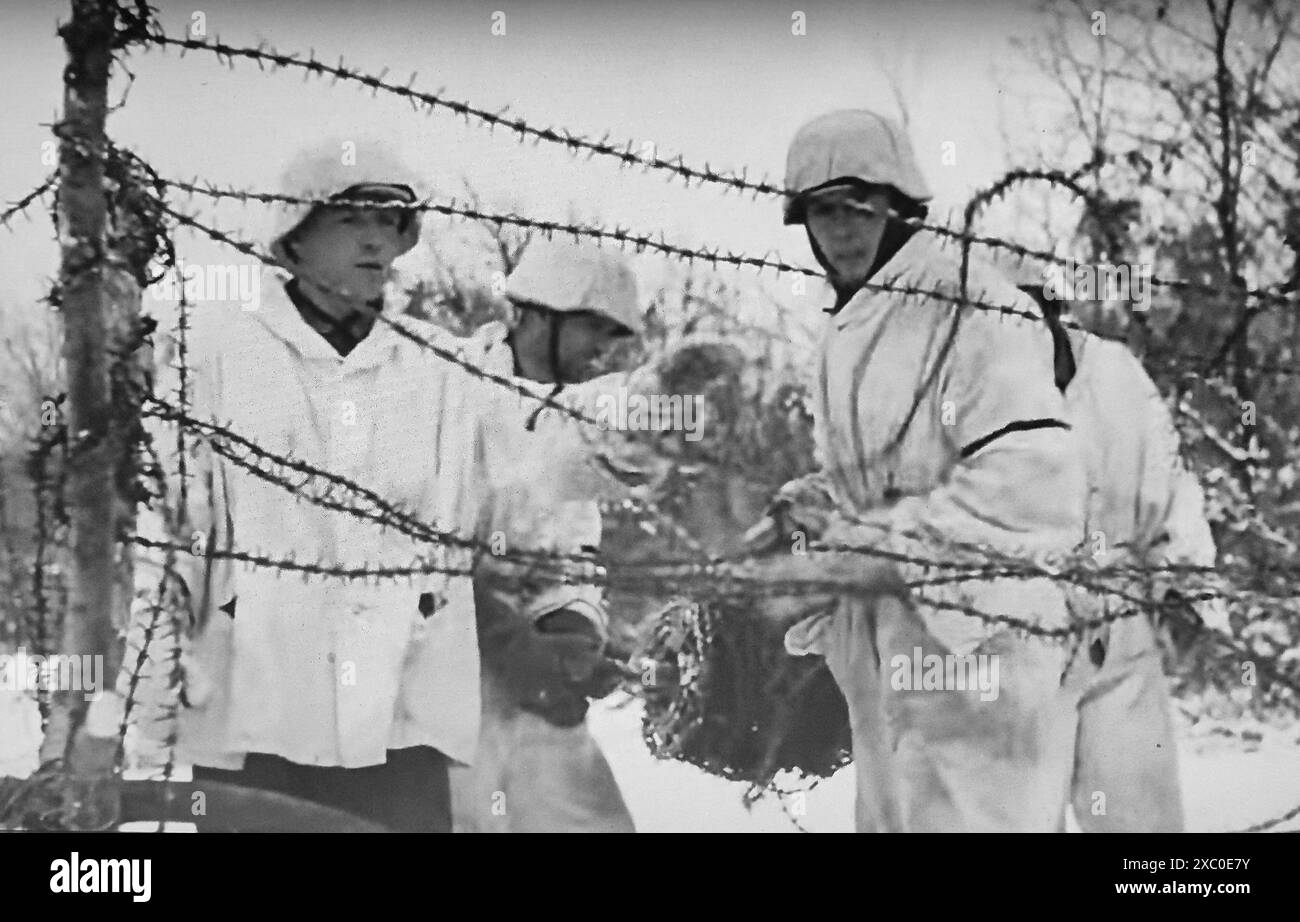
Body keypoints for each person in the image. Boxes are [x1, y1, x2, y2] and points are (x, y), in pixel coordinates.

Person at [127, 138, 496, 832]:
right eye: (351, 218)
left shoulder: (443, 368)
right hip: (257, 725)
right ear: (294, 237)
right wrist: (145, 692)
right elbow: (167, 531)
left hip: (399, 729)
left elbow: (536, 438)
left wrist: (635, 411)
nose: (375, 239)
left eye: (389, 221)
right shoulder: (212, 358)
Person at [746, 109, 1088, 832]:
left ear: (900, 204)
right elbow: (879, 473)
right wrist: (810, 506)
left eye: (858, 207)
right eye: (822, 212)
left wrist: (883, 550)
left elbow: (1033, 483)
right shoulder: (849, 325)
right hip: (886, 647)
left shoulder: (971, 304)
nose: (841, 230)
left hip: (979, 640)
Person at [1009, 260, 1224, 832]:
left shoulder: (1114, 375)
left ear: (1054, 309)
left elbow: (1168, 482)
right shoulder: (972, 386)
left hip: (1119, 619)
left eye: (1030, 308)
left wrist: (1187, 586)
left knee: (1139, 819)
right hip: (1014, 629)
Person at [448, 239, 641, 833]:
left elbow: (576, 551)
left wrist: (573, 633)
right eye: (592, 328)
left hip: (534, 686)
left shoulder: (578, 420)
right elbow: (413, 549)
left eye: (613, 336)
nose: (603, 350)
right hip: (444, 673)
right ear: (535, 315)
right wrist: (510, 643)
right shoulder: (449, 390)